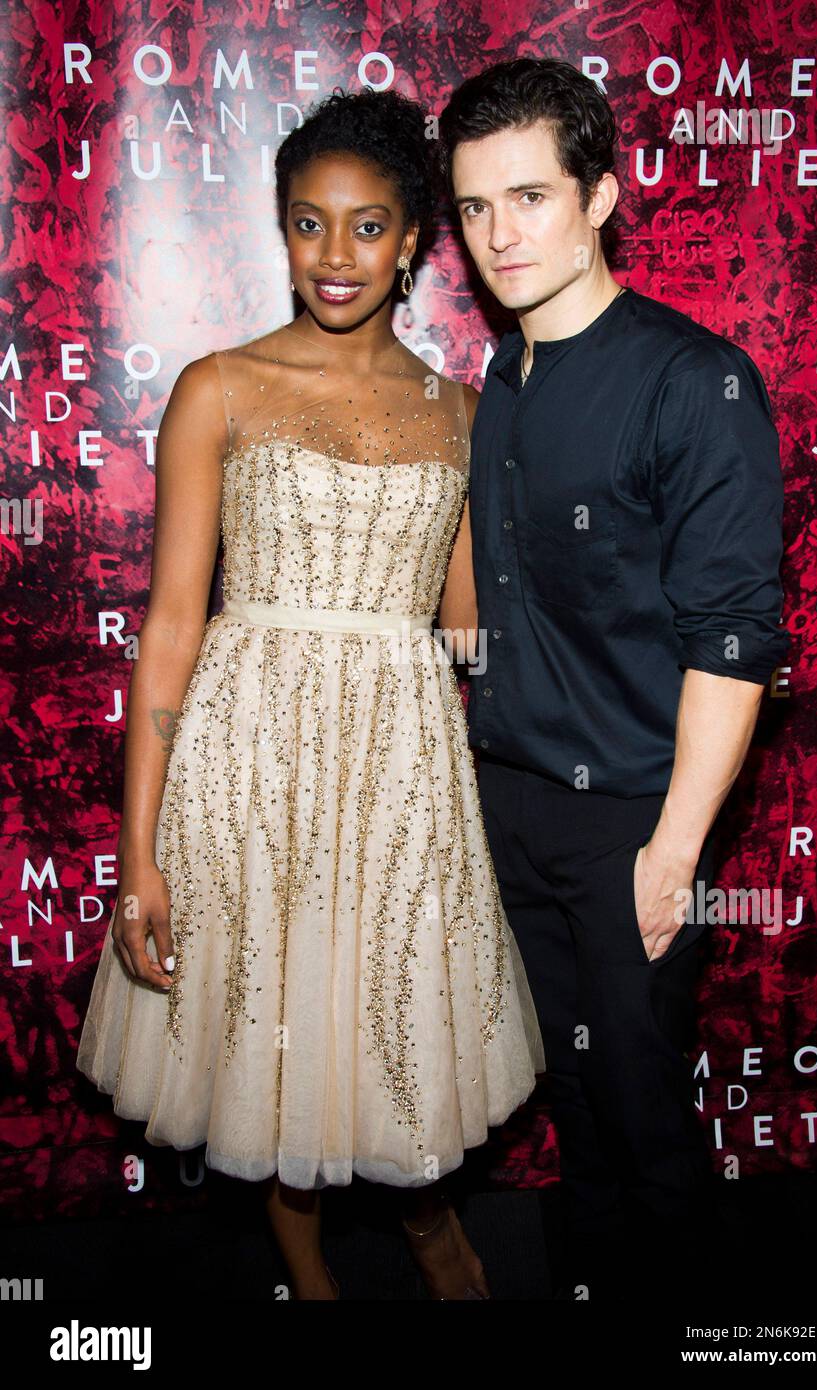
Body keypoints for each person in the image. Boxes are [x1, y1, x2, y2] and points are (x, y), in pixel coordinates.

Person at [75, 85, 545, 1301]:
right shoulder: (217, 387)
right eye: (308, 222)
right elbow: (172, 630)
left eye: (369, 226)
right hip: (246, 759)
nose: (335, 256)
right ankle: (308, 1270)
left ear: (412, 243)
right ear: (280, 228)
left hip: (397, 766)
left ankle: (432, 1232)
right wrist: (139, 854)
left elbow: (467, 635)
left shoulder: (458, 410)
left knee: (382, 1021)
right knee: (268, 1023)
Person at [438, 58, 791, 1297]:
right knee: (573, 1103)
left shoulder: (692, 381)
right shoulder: (506, 379)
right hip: (516, 802)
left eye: (530, 197)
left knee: (642, 1117)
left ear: (601, 194)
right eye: (476, 207)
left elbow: (733, 636)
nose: (500, 234)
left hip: (635, 820)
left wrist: (674, 847)